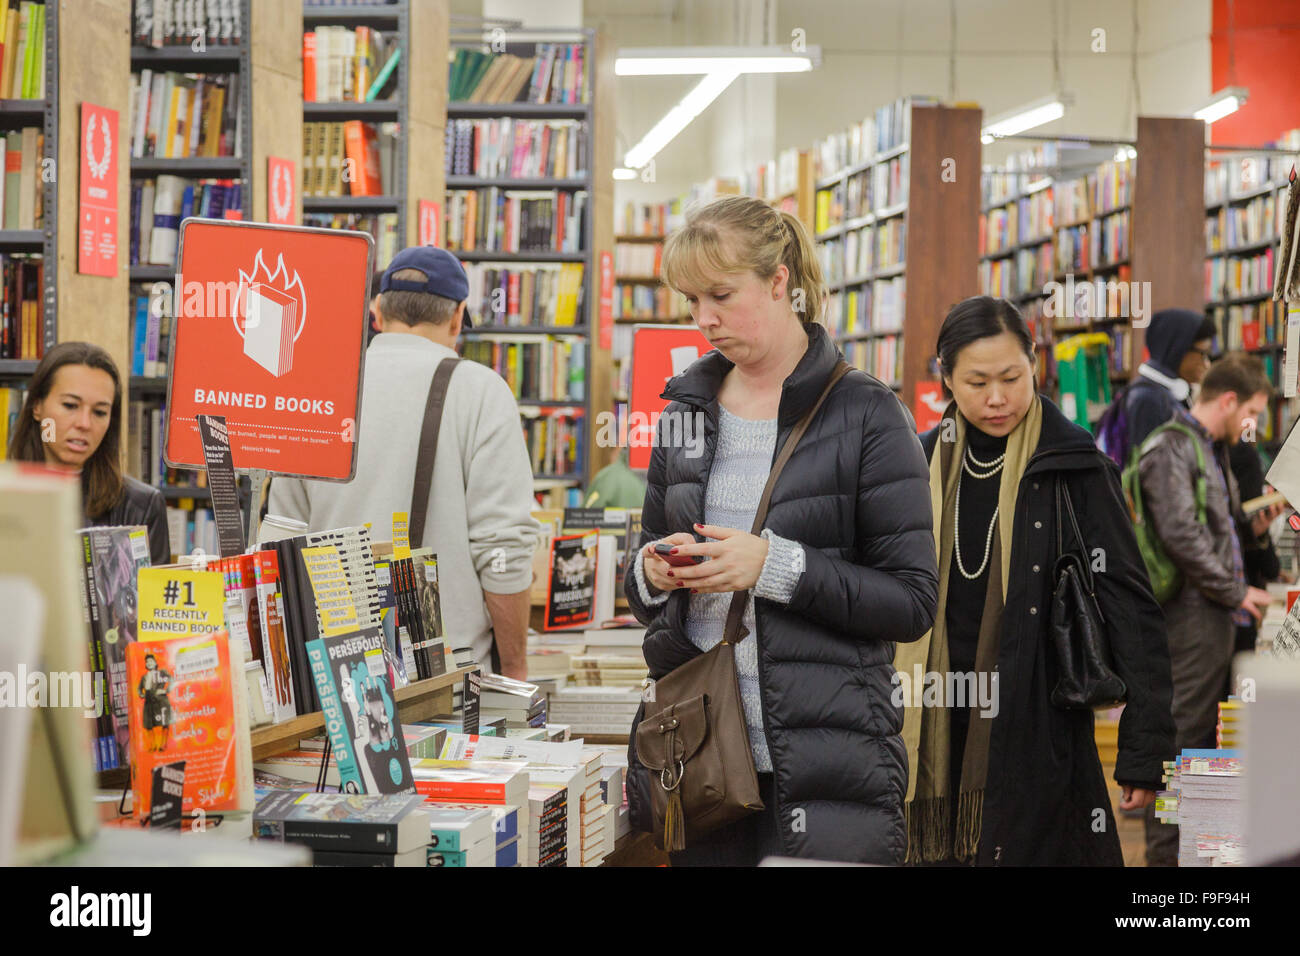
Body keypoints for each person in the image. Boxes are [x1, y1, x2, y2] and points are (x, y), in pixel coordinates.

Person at [623, 195, 938, 866]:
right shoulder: (684, 412)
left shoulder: (868, 414)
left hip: (829, 764)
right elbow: (641, 569)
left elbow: (911, 601)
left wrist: (772, 567)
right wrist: (650, 572)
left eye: (720, 295)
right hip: (700, 752)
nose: (703, 320)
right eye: (691, 301)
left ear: (779, 282)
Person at [896, 295, 1175, 866]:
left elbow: (1130, 604)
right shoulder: (913, 465)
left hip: (1036, 719)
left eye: (1011, 377)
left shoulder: (1074, 466)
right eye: (976, 382)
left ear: (1035, 366)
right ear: (945, 378)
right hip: (929, 716)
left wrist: (1144, 748)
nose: (997, 398)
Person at [268, 247, 540, 679]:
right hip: (446, 674)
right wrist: (516, 668)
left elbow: (279, 544)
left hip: (333, 672)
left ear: (377, 312)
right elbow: (503, 550)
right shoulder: (480, 392)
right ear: (457, 318)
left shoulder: (317, 389)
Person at [1138, 353, 1278, 866]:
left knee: (1205, 744)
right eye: (1253, 413)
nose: (1254, 426)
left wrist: (1259, 529)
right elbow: (1181, 535)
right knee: (1181, 744)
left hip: (1215, 616)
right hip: (1191, 619)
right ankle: (1164, 860)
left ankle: (1197, 858)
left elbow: (1217, 532)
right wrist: (1235, 590)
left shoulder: (1207, 449)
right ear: (1227, 401)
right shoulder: (1171, 448)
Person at [7, 341, 169, 564]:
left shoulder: (142, 506)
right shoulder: (6, 496)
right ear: (37, 406)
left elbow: (155, 598)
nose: (84, 424)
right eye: (70, 406)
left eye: (99, 412)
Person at [1098, 308, 1217, 465]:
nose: (1207, 364)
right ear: (1177, 349)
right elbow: (1150, 473)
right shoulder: (1149, 400)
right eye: (1202, 354)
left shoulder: (1168, 394)